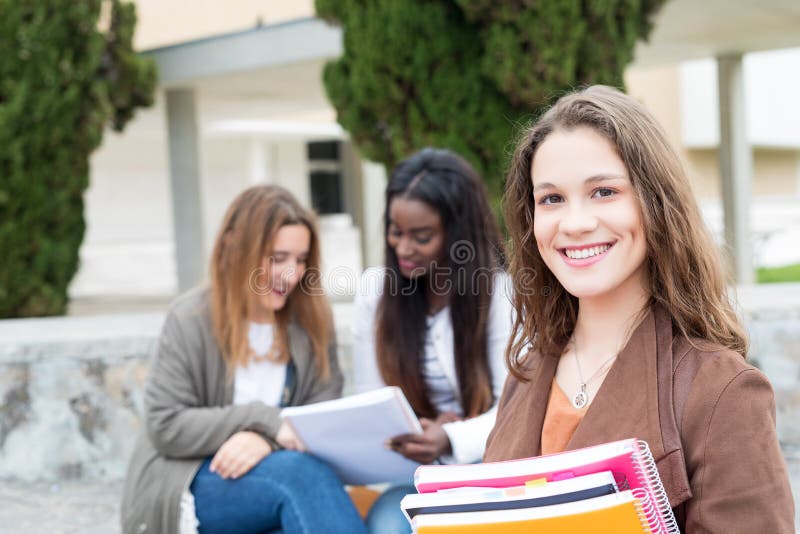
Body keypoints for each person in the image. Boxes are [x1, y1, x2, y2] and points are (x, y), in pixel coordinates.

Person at [484, 85, 795, 531]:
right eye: (552, 199)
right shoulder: (528, 371)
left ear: (656, 203)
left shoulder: (721, 390)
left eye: (604, 192)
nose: (575, 223)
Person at [120, 185, 366, 534]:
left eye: (300, 260)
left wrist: (264, 440)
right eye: (277, 258)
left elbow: (320, 419)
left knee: (298, 493)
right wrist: (262, 421)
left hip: (272, 477)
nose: (291, 274)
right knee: (297, 477)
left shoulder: (312, 320)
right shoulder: (190, 318)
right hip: (189, 480)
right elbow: (166, 425)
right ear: (234, 248)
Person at [352, 148, 513, 533]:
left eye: (421, 237)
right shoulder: (375, 293)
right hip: (412, 475)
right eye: (395, 231)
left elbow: (513, 412)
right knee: (388, 523)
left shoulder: (501, 296)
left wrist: (451, 438)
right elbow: (370, 403)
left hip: (489, 471)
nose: (403, 248)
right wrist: (416, 434)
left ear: (458, 236)